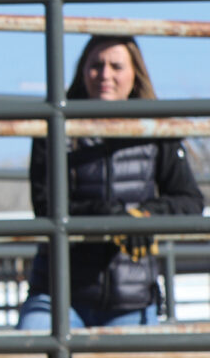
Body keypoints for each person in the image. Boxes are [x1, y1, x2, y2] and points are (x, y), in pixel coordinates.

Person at [15, 35, 202, 329]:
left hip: (131, 298)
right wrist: (111, 217)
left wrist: (144, 218)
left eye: (116, 66)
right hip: (56, 295)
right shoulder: (54, 125)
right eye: (96, 65)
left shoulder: (157, 128)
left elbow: (189, 200)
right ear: (82, 70)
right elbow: (46, 202)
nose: (105, 75)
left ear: (134, 73)